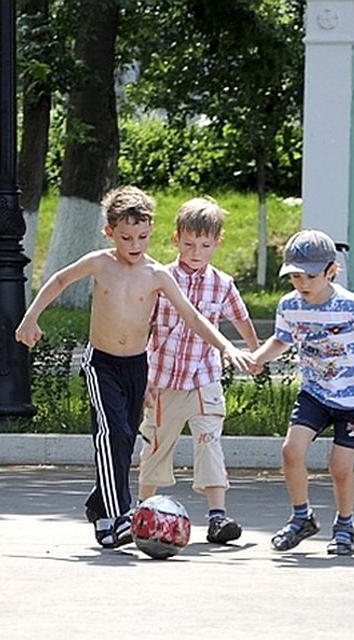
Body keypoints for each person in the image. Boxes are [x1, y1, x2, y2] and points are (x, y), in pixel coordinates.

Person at [15, 186, 254, 549]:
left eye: (142, 237)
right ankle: (121, 516)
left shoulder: (158, 275)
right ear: (109, 232)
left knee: (125, 440)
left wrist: (225, 346)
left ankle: (100, 510)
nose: (134, 244)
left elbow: (192, 316)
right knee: (112, 434)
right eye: (126, 237)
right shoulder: (100, 262)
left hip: (137, 366)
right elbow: (61, 280)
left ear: (152, 231)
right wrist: (30, 318)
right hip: (102, 364)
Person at [251, 229, 354, 556]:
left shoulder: (351, 306)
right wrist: (258, 358)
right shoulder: (290, 305)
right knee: (291, 451)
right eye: (295, 276)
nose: (302, 283)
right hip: (314, 392)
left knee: (340, 467)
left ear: (331, 271)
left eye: (310, 276)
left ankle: (345, 526)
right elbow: (282, 340)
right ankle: (302, 518)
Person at [137, 197, 259, 545]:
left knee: (209, 442)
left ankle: (218, 517)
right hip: (162, 380)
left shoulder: (222, 283)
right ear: (175, 239)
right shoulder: (160, 278)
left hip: (205, 378)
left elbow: (240, 318)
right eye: (189, 244)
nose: (196, 251)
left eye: (205, 245)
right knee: (156, 446)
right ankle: (144, 513)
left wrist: (255, 353)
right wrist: (142, 377)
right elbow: (142, 325)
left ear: (217, 244)